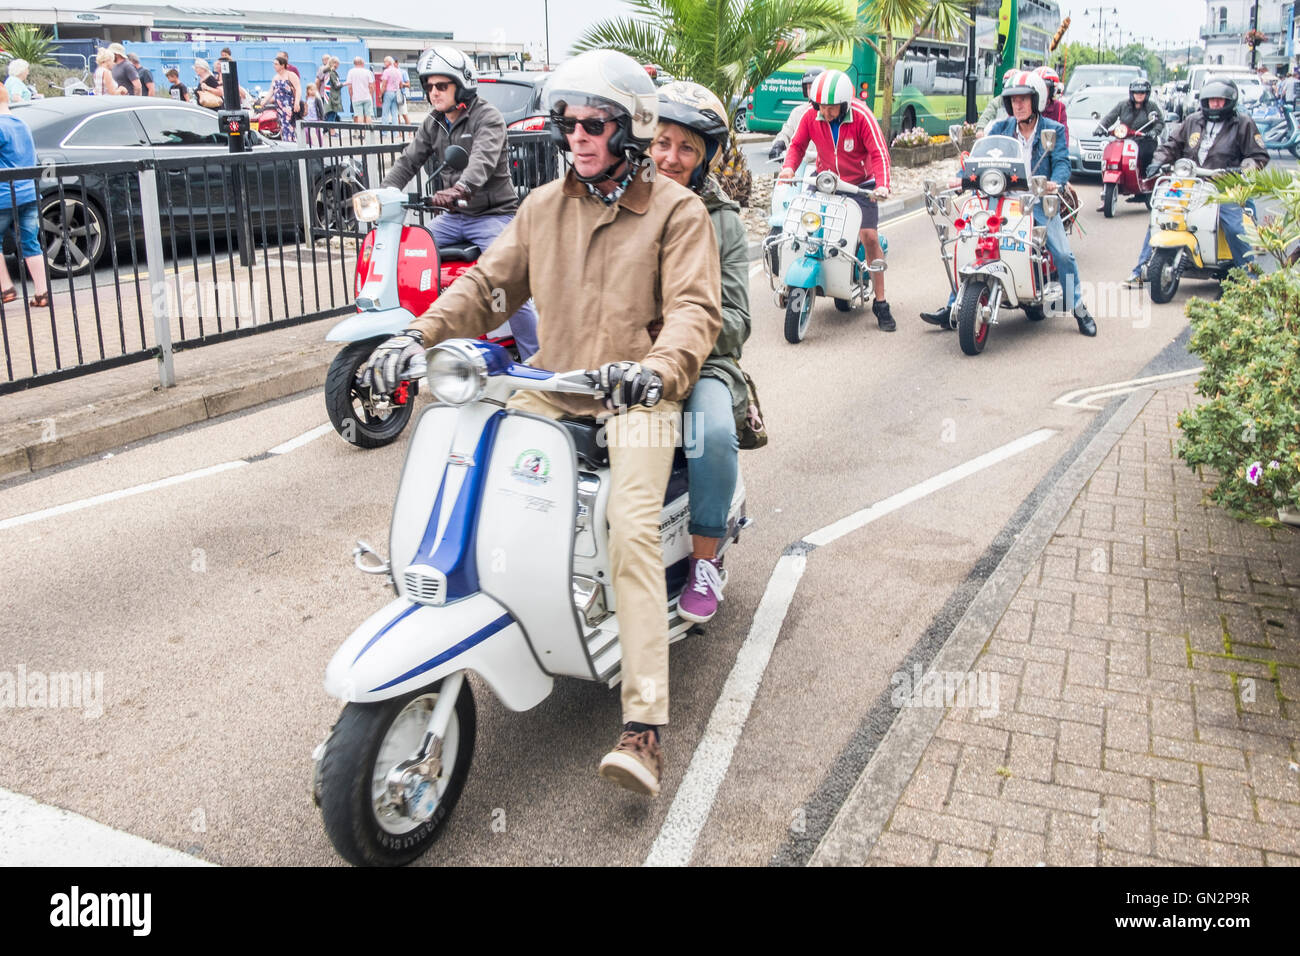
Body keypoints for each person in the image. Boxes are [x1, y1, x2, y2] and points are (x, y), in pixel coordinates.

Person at [358, 49, 722, 798]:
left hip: (639, 398)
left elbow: (694, 312)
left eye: (597, 123)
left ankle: (645, 726)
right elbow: (490, 286)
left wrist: (655, 372)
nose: (579, 134)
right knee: (471, 457)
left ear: (631, 129)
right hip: (555, 385)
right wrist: (415, 337)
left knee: (631, 524)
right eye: (570, 122)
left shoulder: (677, 213)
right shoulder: (544, 207)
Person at [650, 81, 750, 624]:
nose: (670, 157)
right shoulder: (622, 204)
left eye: (686, 148)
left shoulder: (724, 221)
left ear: (705, 157)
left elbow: (736, 323)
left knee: (709, 433)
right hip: (625, 358)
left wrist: (680, 335)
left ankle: (704, 560)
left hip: (702, 364)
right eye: (662, 142)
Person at [376, 46, 539, 359]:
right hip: (453, 217)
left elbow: (482, 160)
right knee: (408, 255)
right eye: (429, 86)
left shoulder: (487, 117)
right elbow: (409, 161)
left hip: (494, 215)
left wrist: (462, 187)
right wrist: (382, 195)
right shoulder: (434, 122)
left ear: (460, 84)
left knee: (507, 284)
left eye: (441, 86)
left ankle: (535, 360)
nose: (433, 92)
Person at [921, 70, 1096, 336]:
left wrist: (1054, 183)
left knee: (1062, 253)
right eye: (1013, 100)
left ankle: (1079, 308)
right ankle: (953, 306)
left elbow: (1061, 164)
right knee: (970, 241)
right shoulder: (999, 128)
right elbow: (980, 161)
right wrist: (961, 179)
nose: (1018, 105)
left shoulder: (1053, 130)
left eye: (1024, 99)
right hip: (999, 197)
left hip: (1035, 199)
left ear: (1036, 101)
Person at [778, 69, 896, 331]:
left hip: (860, 186)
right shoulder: (811, 116)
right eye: (820, 106)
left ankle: (880, 301)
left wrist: (882, 185)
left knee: (869, 237)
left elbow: (879, 153)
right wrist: (788, 167)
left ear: (843, 104)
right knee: (806, 229)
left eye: (831, 108)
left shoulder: (862, 116)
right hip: (827, 182)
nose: (826, 112)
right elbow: (797, 145)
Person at [1125, 79, 1268, 285]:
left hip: (1224, 185)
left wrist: (1244, 168)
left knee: (1235, 227)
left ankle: (1249, 276)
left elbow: (1259, 156)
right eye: (1211, 101)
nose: (1215, 105)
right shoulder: (1192, 120)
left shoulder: (1243, 123)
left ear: (1230, 101)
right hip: (1189, 183)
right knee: (1161, 215)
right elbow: (1172, 144)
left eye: (1219, 101)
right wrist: (1158, 160)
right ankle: (1140, 270)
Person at [0, 85, 49, 310]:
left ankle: (7, 288)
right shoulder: (22, 125)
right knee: (30, 242)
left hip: (3, 195)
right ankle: (42, 292)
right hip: (28, 193)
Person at [1095, 79, 1163, 213]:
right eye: (1136, 92)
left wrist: (1153, 132)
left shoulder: (1152, 107)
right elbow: (1109, 118)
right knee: (1110, 160)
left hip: (1144, 139)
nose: (1139, 95)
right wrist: (1100, 128)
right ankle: (1105, 197)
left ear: (1147, 93)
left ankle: (1144, 179)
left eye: (1142, 92)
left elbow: (1160, 122)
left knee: (1145, 153)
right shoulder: (1123, 105)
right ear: (1131, 93)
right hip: (1124, 139)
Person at [767, 66, 823, 159]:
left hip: (825, 166)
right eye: (809, 88)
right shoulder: (798, 112)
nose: (812, 91)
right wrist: (779, 143)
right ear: (805, 91)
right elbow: (786, 132)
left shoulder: (831, 114)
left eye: (815, 87)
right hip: (800, 163)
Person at [270, 54, 301, 143]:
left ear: (282, 65)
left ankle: (292, 144)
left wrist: (297, 102)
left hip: (288, 106)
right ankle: (287, 144)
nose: (274, 66)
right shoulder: (275, 77)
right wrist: (262, 102)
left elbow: (298, 88)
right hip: (279, 108)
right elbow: (271, 92)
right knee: (283, 128)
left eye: (276, 64)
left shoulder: (290, 74)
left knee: (289, 126)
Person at [1036, 66, 1069, 141]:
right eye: (1037, 87)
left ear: (1052, 90)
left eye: (1044, 87)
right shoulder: (1025, 105)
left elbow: (1064, 138)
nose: (1040, 91)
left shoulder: (1059, 107)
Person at [346, 56, 374, 124]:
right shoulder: (367, 72)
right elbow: (371, 86)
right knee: (368, 115)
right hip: (367, 97)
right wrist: (370, 95)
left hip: (356, 98)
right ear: (362, 63)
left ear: (354, 63)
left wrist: (351, 96)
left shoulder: (351, 72)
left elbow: (349, 86)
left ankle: (361, 132)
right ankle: (368, 133)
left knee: (359, 115)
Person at [380, 56, 404, 124]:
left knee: (385, 113)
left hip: (388, 93)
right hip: (396, 93)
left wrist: (380, 95)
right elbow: (401, 85)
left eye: (385, 61)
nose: (384, 63)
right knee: (395, 113)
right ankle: (395, 132)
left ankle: (384, 132)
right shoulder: (398, 71)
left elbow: (384, 85)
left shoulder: (386, 71)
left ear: (389, 62)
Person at [325, 57, 343, 121]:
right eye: (337, 63)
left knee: (331, 115)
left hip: (329, 96)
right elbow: (336, 85)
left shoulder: (327, 72)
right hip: (332, 97)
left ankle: (329, 130)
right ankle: (330, 130)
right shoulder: (332, 73)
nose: (338, 65)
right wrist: (344, 84)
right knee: (332, 115)